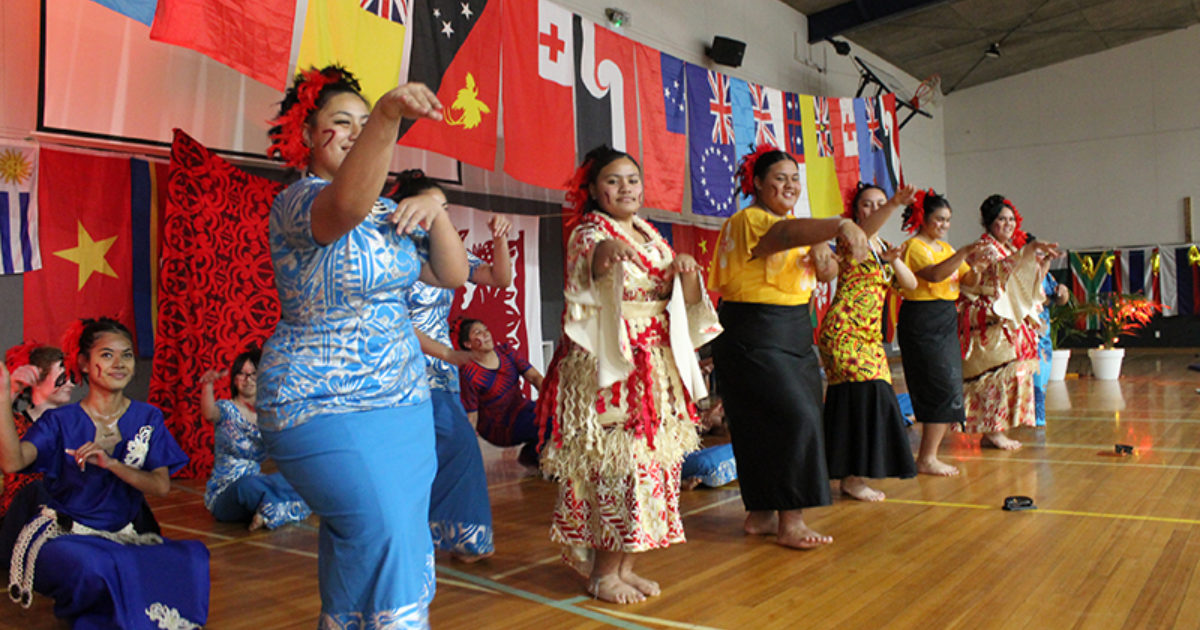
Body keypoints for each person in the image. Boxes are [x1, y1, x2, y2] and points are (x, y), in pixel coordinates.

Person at [257, 66, 466, 627]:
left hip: (402, 405)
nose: (355, 131)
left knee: (370, 536)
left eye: (363, 120)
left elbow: (450, 273)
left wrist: (437, 208)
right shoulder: (300, 203)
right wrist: (388, 114)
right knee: (381, 527)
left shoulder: (386, 212)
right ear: (305, 135)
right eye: (340, 122)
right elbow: (343, 207)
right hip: (318, 402)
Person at [536, 145, 721, 604]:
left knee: (654, 468)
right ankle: (602, 572)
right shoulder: (589, 231)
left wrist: (687, 270)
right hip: (613, 369)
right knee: (616, 467)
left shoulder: (648, 234)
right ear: (596, 190)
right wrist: (606, 253)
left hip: (656, 366)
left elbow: (685, 298)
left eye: (632, 180)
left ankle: (627, 564)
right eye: (614, 182)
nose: (625, 189)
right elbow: (593, 266)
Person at [708, 145, 903, 549]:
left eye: (795, 179)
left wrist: (824, 256)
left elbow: (828, 269)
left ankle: (760, 514)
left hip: (794, 329)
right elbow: (781, 235)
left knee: (776, 420)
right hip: (753, 331)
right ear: (757, 183)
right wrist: (837, 225)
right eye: (780, 178)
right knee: (793, 419)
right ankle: (791, 521)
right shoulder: (751, 220)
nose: (790, 185)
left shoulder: (799, 226)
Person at [0, 317, 209, 628]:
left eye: (126, 354)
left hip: (122, 536)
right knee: (97, 566)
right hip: (64, 537)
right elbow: (13, 462)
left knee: (192, 558)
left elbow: (161, 486)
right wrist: (3, 396)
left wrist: (112, 464)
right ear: (84, 363)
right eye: (107, 355)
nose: (119, 363)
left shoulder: (147, 417)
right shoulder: (60, 421)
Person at [398, 168, 511, 561]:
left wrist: (499, 238)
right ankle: (428, 538)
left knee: (450, 451)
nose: (439, 214)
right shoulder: (395, 253)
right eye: (432, 207)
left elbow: (499, 278)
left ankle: (451, 535)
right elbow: (396, 321)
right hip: (401, 368)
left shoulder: (448, 253)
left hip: (441, 373)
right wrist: (446, 353)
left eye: (444, 208)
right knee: (433, 453)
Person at [817, 183, 919, 502]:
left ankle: (848, 474)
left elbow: (911, 284)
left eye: (880, 203)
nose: (875, 209)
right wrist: (892, 204)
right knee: (867, 397)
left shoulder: (883, 245)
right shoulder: (850, 239)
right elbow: (867, 229)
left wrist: (894, 261)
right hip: (844, 331)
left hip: (870, 338)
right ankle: (852, 478)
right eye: (868, 205)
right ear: (856, 211)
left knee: (860, 400)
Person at [958, 195, 1061, 449]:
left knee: (1010, 374)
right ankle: (992, 431)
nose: (1008, 224)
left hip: (1007, 321)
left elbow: (1022, 283)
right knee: (994, 376)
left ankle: (998, 428)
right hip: (988, 319)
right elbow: (997, 276)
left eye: (1011, 219)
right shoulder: (984, 247)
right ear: (989, 223)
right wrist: (1028, 251)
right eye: (1001, 219)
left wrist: (1041, 265)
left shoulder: (1008, 249)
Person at [897, 191, 984, 475]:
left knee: (949, 385)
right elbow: (934, 275)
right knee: (936, 386)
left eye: (948, 220)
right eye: (939, 219)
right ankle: (926, 457)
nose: (944, 225)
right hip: (922, 320)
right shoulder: (914, 247)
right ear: (924, 218)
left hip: (946, 318)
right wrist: (963, 253)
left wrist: (981, 265)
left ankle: (928, 456)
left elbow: (969, 281)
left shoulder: (947, 250)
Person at [198, 347, 311, 531]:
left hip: (258, 484)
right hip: (228, 493)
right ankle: (279, 509)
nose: (247, 379)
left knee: (300, 478)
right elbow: (209, 412)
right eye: (242, 374)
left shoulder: (268, 417)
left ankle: (267, 511)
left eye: (253, 374)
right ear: (234, 379)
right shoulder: (226, 409)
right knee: (247, 486)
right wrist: (207, 386)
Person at [455, 318, 544, 467]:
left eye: (485, 329)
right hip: (499, 427)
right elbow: (472, 416)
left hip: (521, 410)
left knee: (558, 415)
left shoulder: (507, 352)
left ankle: (532, 454)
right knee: (548, 422)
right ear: (468, 344)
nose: (486, 334)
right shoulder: (469, 373)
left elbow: (535, 377)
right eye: (478, 332)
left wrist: (553, 400)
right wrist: (469, 457)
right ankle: (533, 456)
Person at [2, 343, 75, 517]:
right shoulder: (15, 422)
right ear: (37, 378)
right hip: (22, 514)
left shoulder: (75, 422)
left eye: (71, 377)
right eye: (63, 377)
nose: (70, 384)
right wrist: (10, 392)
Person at [1034, 273, 1070, 426]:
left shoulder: (1046, 275)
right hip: (1025, 329)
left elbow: (1060, 300)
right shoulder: (1020, 269)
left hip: (1042, 332)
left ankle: (1038, 415)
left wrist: (1063, 291)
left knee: (1042, 373)